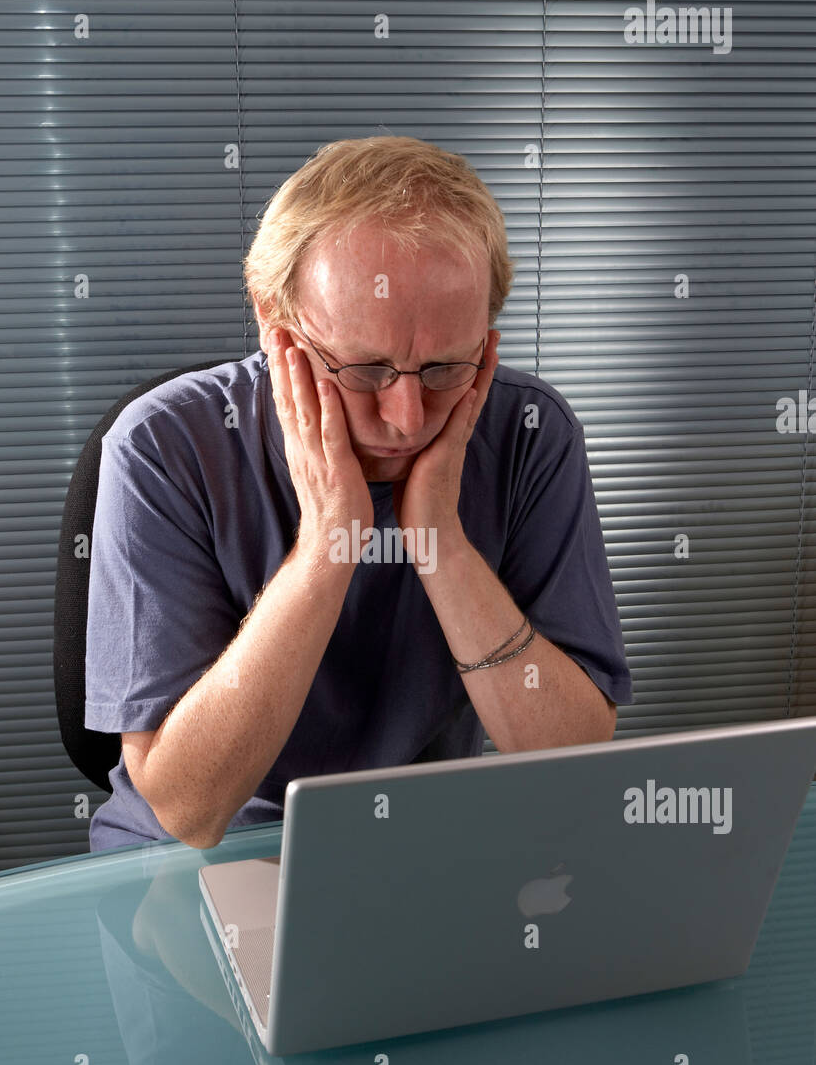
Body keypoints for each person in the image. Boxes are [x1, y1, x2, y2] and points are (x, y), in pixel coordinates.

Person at [85, 136, 633, 852]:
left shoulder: (532, 433)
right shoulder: (161, 446)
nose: (407, 418)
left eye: (444, 368)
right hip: (205, 855)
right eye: (367, 369)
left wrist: (441, 541)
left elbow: (570, 756)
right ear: (275, 321)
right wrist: (326, 545)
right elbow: (189, 812)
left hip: (419, 842)